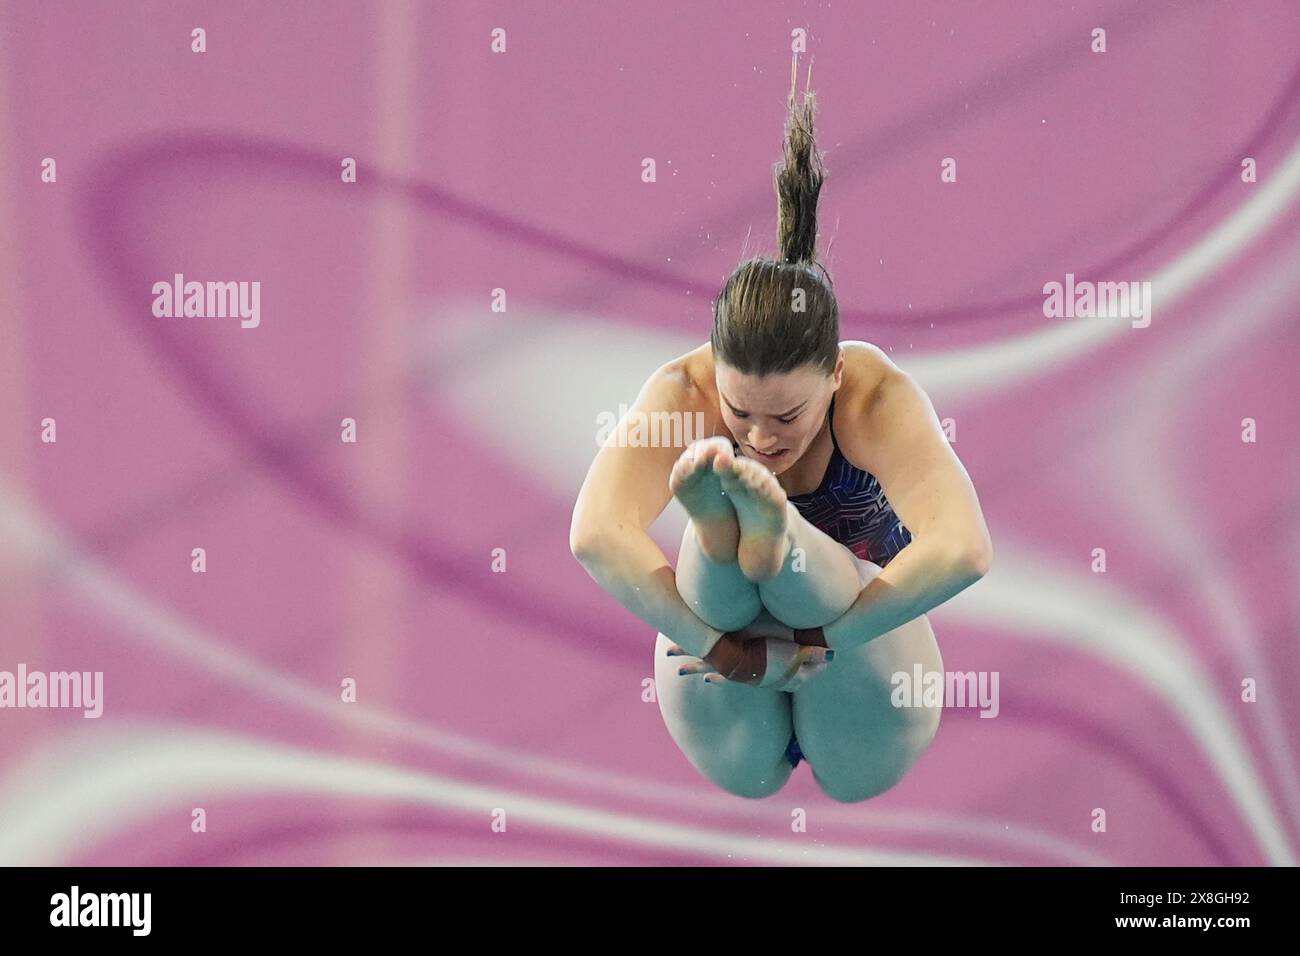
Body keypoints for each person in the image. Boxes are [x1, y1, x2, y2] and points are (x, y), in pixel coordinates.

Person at [570, 59, 992, 800]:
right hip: (724, 660)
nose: (761, 438)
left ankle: (756, 534)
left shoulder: (873, 397)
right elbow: (594, 534)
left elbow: (963, 548)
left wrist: (823, 639)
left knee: (845, 762)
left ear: (834, 375)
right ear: (715, 373)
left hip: (857, 649)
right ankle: (731, 538)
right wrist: (715, 646)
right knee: (757, 769)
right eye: (740, 413)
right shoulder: (682, 392)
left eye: (789, 418)